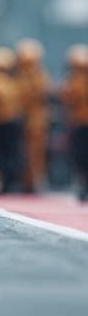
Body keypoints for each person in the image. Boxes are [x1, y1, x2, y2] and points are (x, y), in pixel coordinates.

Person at [15, 39, 51, 192]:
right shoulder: (22, 76)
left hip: (35, 120)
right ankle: (26, 180)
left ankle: (34, 181)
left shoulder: (38, 76)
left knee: (35, 153)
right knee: (23, 152)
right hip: (23, 119)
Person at [0, 47, 24, 193]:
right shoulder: (13, 81)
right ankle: (12, 182)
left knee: (3, 153)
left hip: (1, 122)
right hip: (14, 121)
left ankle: (7, 182)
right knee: (13, 152)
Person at [59, 45, 88, 201]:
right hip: (78, 124)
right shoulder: (72, 82)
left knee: (80, 156)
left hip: (78, 125)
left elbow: (66, 101)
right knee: (80, 156)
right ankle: (83, 185)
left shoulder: (72, 82)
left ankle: (83, 185)